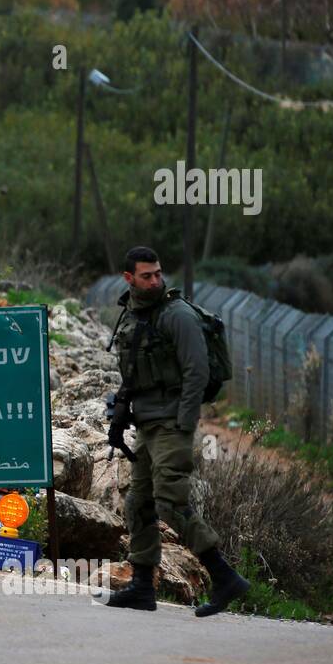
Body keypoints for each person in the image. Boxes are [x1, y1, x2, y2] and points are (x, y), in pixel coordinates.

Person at [100, 245, 250, 616]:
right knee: (139, 503)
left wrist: (184, 423)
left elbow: (196, 371)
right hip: (147, 423)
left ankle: (225, 577)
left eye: (158, 273)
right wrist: (121, 410)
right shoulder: (135, 315)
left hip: (171, 424)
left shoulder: (176, 315)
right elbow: (134, 372)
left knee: (171, 503)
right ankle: (141, 586)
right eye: (146, 275)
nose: (154, 280)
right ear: (128, 278)